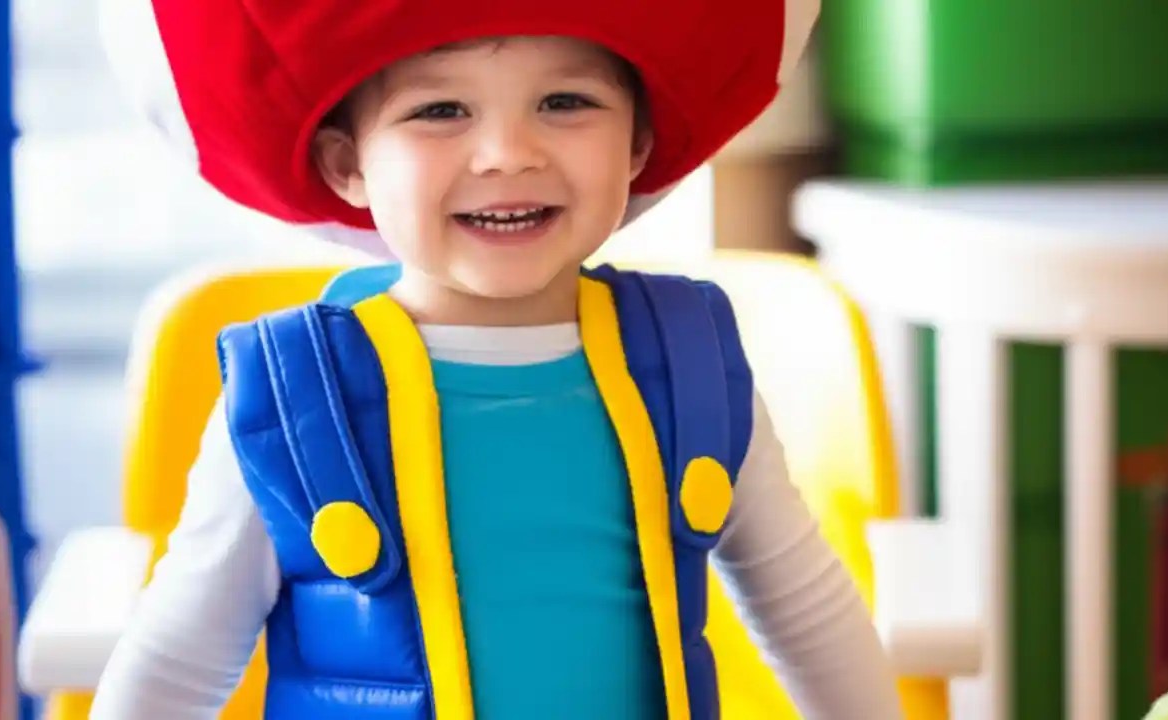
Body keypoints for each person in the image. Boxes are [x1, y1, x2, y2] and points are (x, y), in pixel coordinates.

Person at [90, 1, 905, 718]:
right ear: (349, 166)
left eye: (565, 101)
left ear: (637, 143)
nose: (508, 153)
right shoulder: (294, 403)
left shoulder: (690, 366)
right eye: (441, 108)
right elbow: (178, 658)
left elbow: (804, 608)